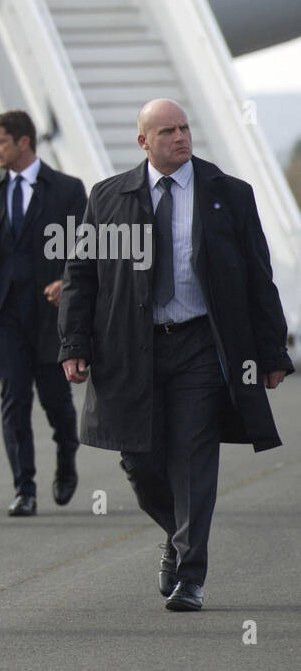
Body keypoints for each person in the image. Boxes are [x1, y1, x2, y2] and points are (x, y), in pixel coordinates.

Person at [59, 98, 292, 611]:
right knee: (140, 461)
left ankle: (191, 577)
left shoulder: (228, 194)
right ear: (144, 141)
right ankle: (176, 532)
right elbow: (81, 277)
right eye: (167, 131)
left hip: (199, 347)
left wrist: (272, 350)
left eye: (185, 128)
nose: (181, 138)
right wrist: (74, 344)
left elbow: (257, 276)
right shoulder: (109, 197)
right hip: (131, 349)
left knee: (192, 457)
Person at [0, 111, 87, 516]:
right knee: (13, 400)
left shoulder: (66, 190)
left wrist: (68, 282)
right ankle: (24, 489)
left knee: (57, 402)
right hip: (4, 315)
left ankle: (66, 455)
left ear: (23, 143)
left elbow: (84, 248)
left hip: (50, 318)